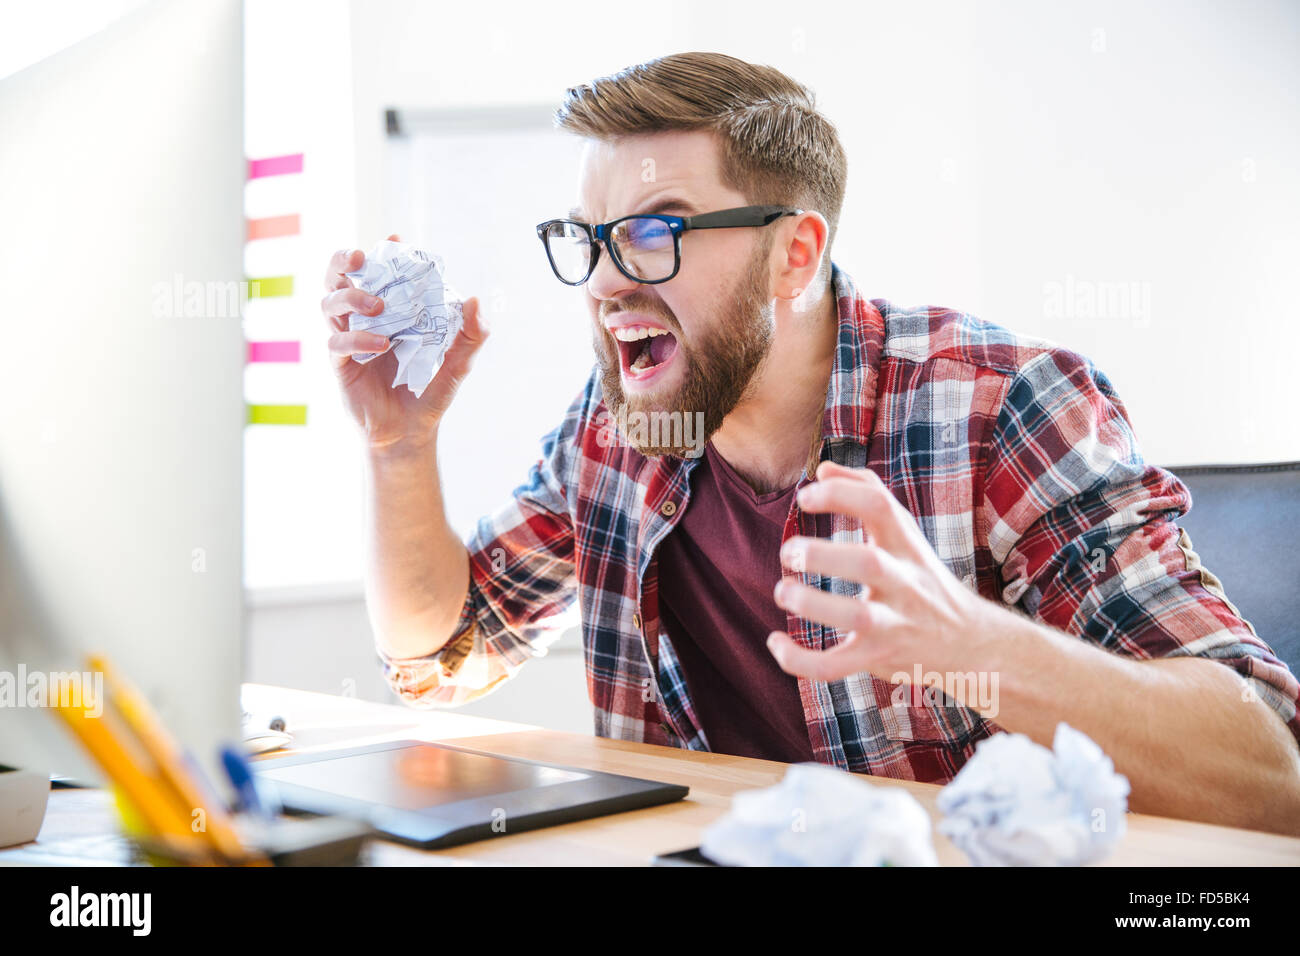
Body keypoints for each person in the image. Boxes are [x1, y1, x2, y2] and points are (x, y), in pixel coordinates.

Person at [320, 52, 1300, 835]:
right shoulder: (616, 429)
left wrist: (976, 648)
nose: (606, 282)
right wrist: (398, 449)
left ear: (794, 253)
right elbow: (445, 648)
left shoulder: (1001, 406)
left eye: (657, 231)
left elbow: (1269, 779)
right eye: (589, 238)